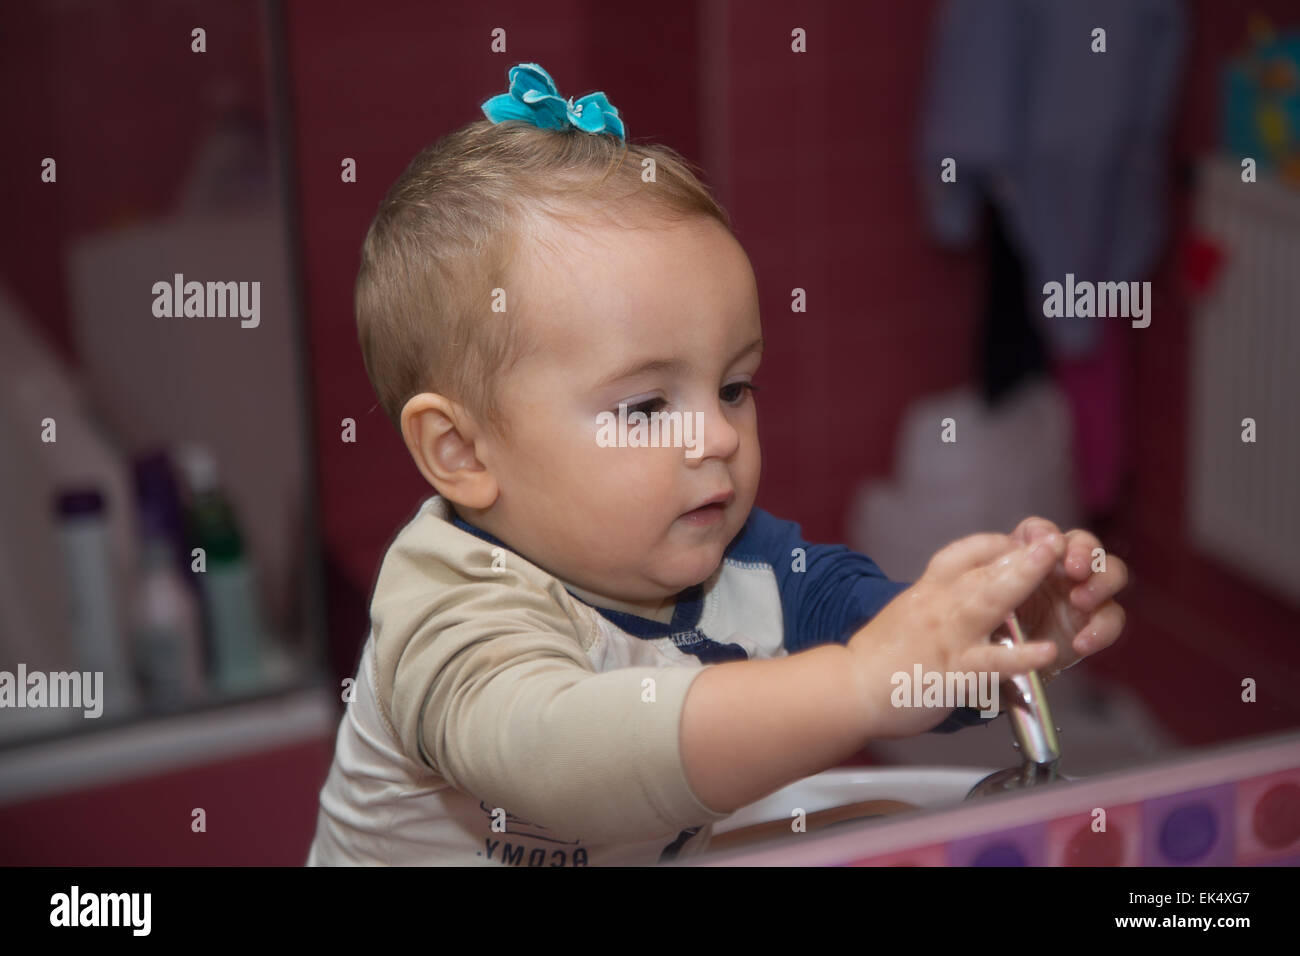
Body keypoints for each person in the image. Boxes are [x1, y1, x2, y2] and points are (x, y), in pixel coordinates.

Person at [307, 63, 1128, 866]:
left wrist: (993, 644)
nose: (720, 437)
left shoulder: (746, 564)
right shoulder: (447, 606)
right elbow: (562, 754)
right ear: (463, 452)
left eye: (734, 387)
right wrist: (853, 688)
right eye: (646, 407)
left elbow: (890, 645)